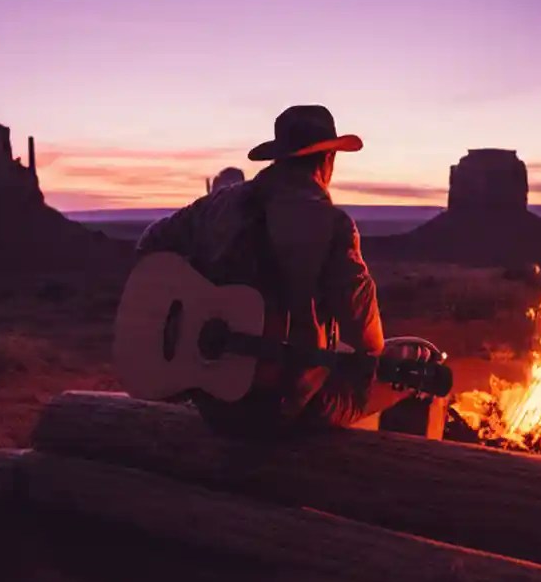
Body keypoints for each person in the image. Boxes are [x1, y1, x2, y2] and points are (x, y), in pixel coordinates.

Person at [134, 105, 428, 437]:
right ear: (327, 159)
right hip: (281, 411)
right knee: (419, 362)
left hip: (213, 404)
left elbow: (149, 243)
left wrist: (188, 313)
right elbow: (367, 340)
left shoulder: (217, 206)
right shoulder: (333, 226)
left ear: (279, 157)